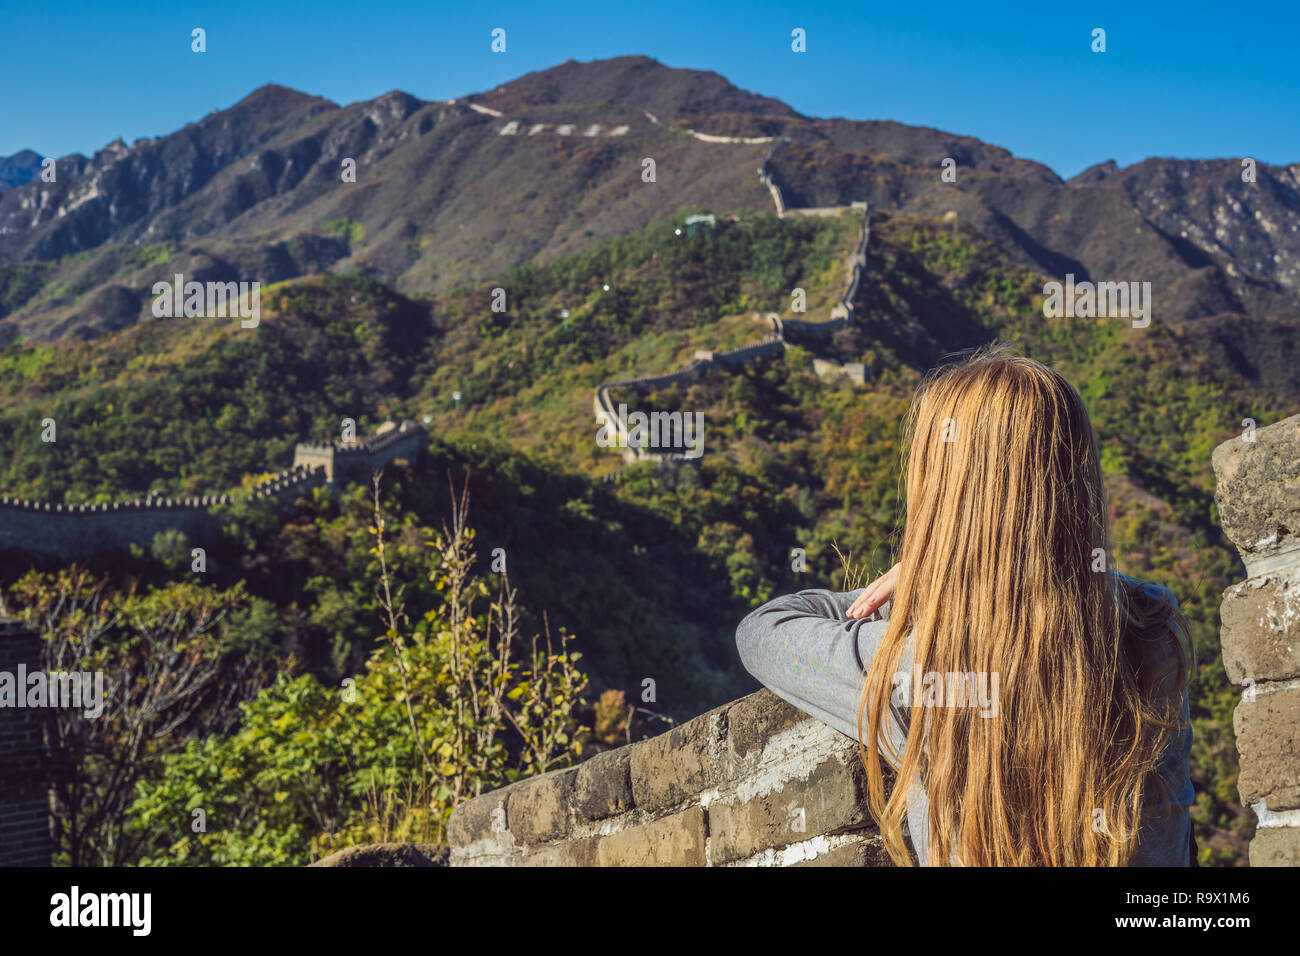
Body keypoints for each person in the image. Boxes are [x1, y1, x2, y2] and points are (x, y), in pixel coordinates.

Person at [735, 347, 1194, 866]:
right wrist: (1038, 564)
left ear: (942, 496)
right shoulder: (1151, 635)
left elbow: (762, 632)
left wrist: (932, 572)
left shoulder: (911, 669)